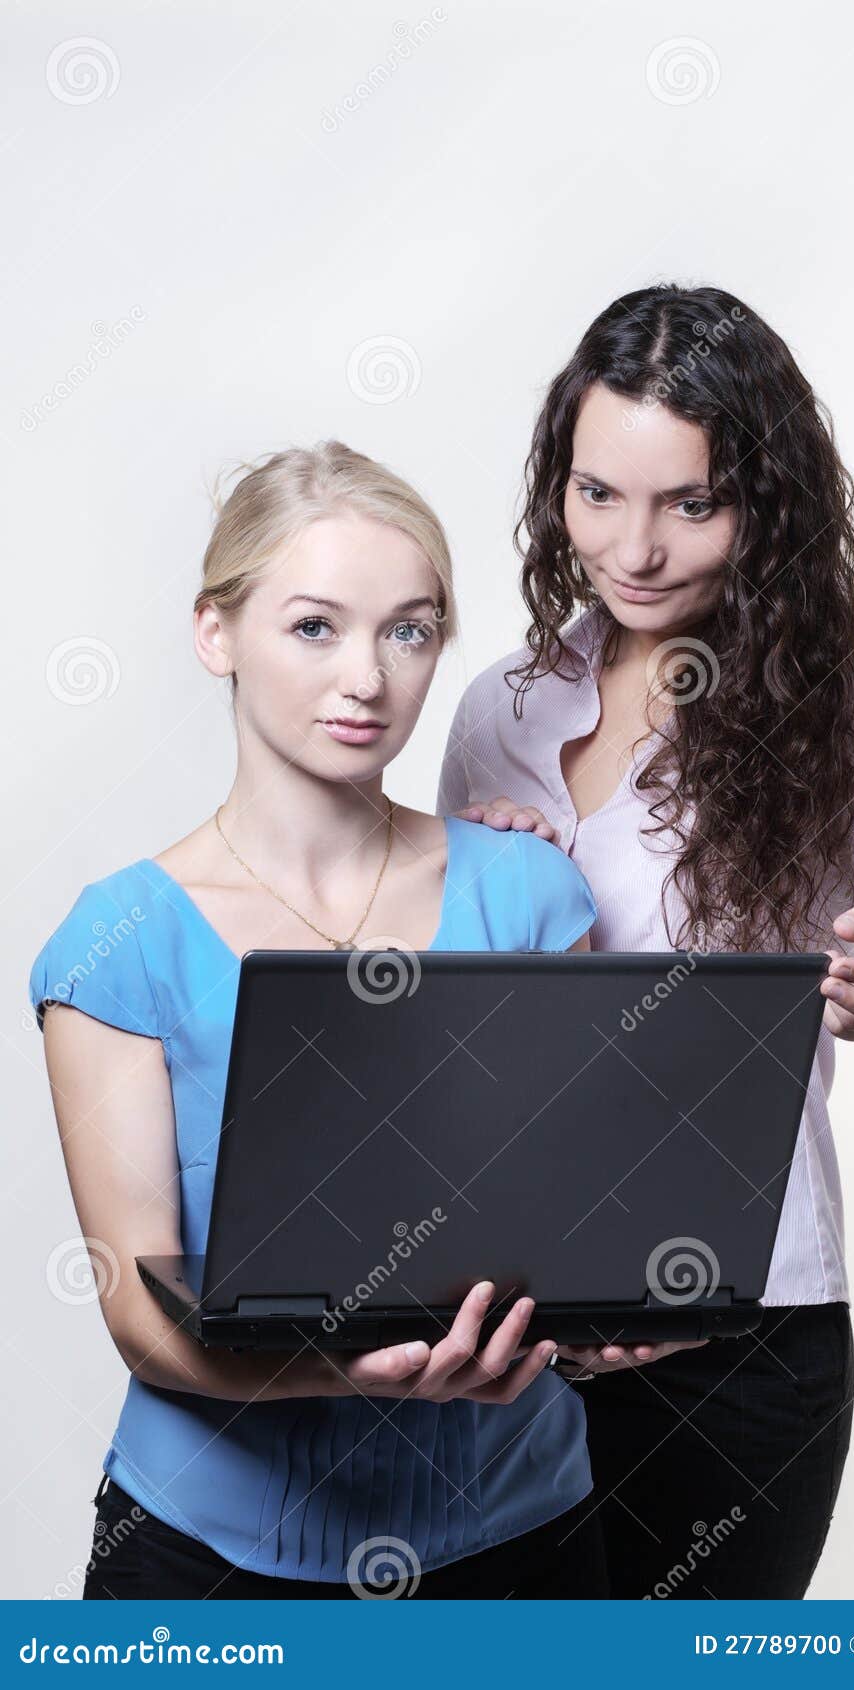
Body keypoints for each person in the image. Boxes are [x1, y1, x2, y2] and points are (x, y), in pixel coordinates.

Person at [29, 442, 687, 1600]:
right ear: (215, 632)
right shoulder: (118, 939)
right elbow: (137, 1310)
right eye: (314, 627)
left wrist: (607, 1327)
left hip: (518, 1543)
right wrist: (355, 1371)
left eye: (410, 629)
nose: (368, 679)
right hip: (211, 1562)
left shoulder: (530, 892)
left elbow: (572, 1225)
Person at [438, 283, 854, 1598]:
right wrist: (468, 899)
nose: (632, 549)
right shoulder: (500, 709)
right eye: (597, 494)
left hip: (740, 1342)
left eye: (688, 504)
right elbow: (446, 1042)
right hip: (504, 1332)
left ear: (765, 506)